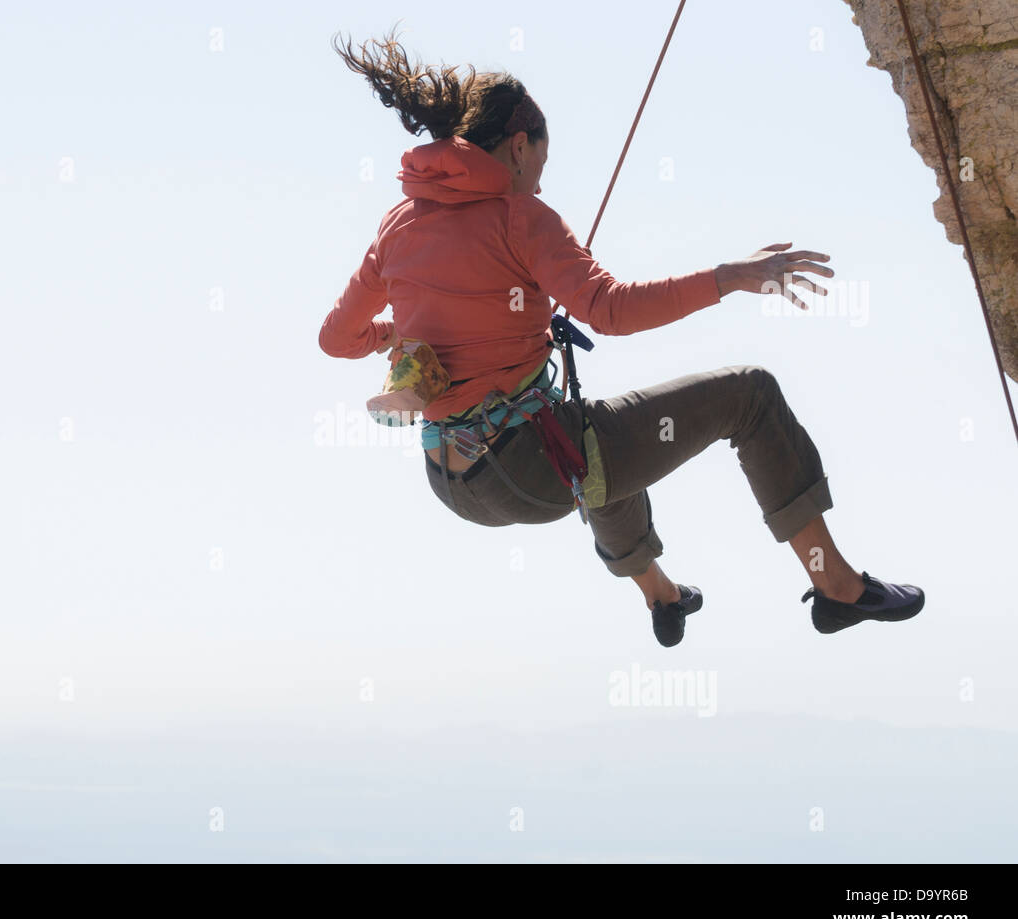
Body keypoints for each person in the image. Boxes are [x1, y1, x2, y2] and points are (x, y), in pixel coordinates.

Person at [319, 27, 925, 645]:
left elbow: (337, 339)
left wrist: (408, 330)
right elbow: (609, 310)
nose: (538, 182)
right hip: (528, 474)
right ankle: (840, 589)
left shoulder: (397, 224)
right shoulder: (521, 218)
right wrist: (731, 277)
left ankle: (661, 596)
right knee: (750, 395)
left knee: (596, 436)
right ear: (520, 146)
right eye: (540, 165)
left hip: (449, 480)